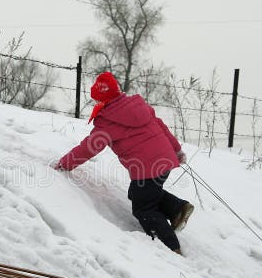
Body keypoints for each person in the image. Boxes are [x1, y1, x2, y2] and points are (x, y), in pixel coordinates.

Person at [54, 72, 193, 254]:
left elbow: (89, 147)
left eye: (97, 101)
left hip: (147, 168)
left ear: (102, 100)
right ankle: (177, 208)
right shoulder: (137, 105)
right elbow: (161, 126)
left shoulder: (107, 121)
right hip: (165, 159)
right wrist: (176, 150)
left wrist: (65, 164)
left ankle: (170, 246)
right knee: (138, 192)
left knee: (144, 208)